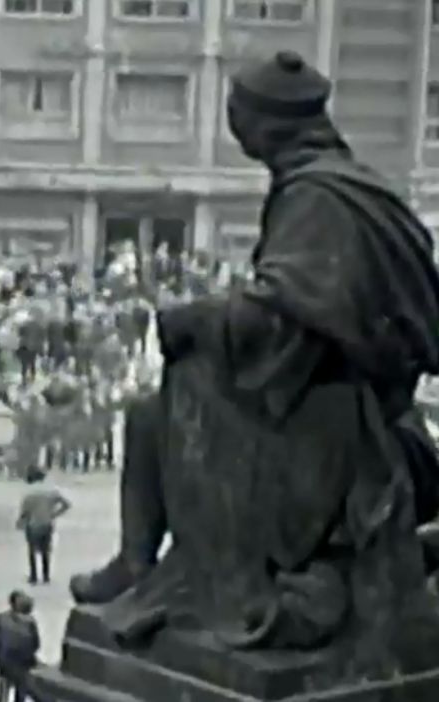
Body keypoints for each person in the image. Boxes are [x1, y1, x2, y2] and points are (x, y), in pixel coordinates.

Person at [71, 51, 439, 657]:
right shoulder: (344, 183)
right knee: (145, 413)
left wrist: (194, 319)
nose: (233, 128)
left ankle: (163, 564)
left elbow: (288, 314)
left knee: (160, 401)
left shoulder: (320, 196)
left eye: (237, 115)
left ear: (264, 124)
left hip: (338, 424)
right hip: (330, 399)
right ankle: (137, 561)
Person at [16, 469, 71, 585]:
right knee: (46, 550)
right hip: (47, 524)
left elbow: (25, 512)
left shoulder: (28, 493)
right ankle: (46, 576)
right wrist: (54, 514)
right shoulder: (51, 491)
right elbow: (67, 504)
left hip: (32, 525)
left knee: (32, 551)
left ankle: (33, 576)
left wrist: (19, 522)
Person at [0, 590, 40, 702]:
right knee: (21, 689)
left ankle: (3, 697)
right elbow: (36, 645)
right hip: (23, 663)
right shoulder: (30, 622)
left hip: (4, 661)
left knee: (4, 686)